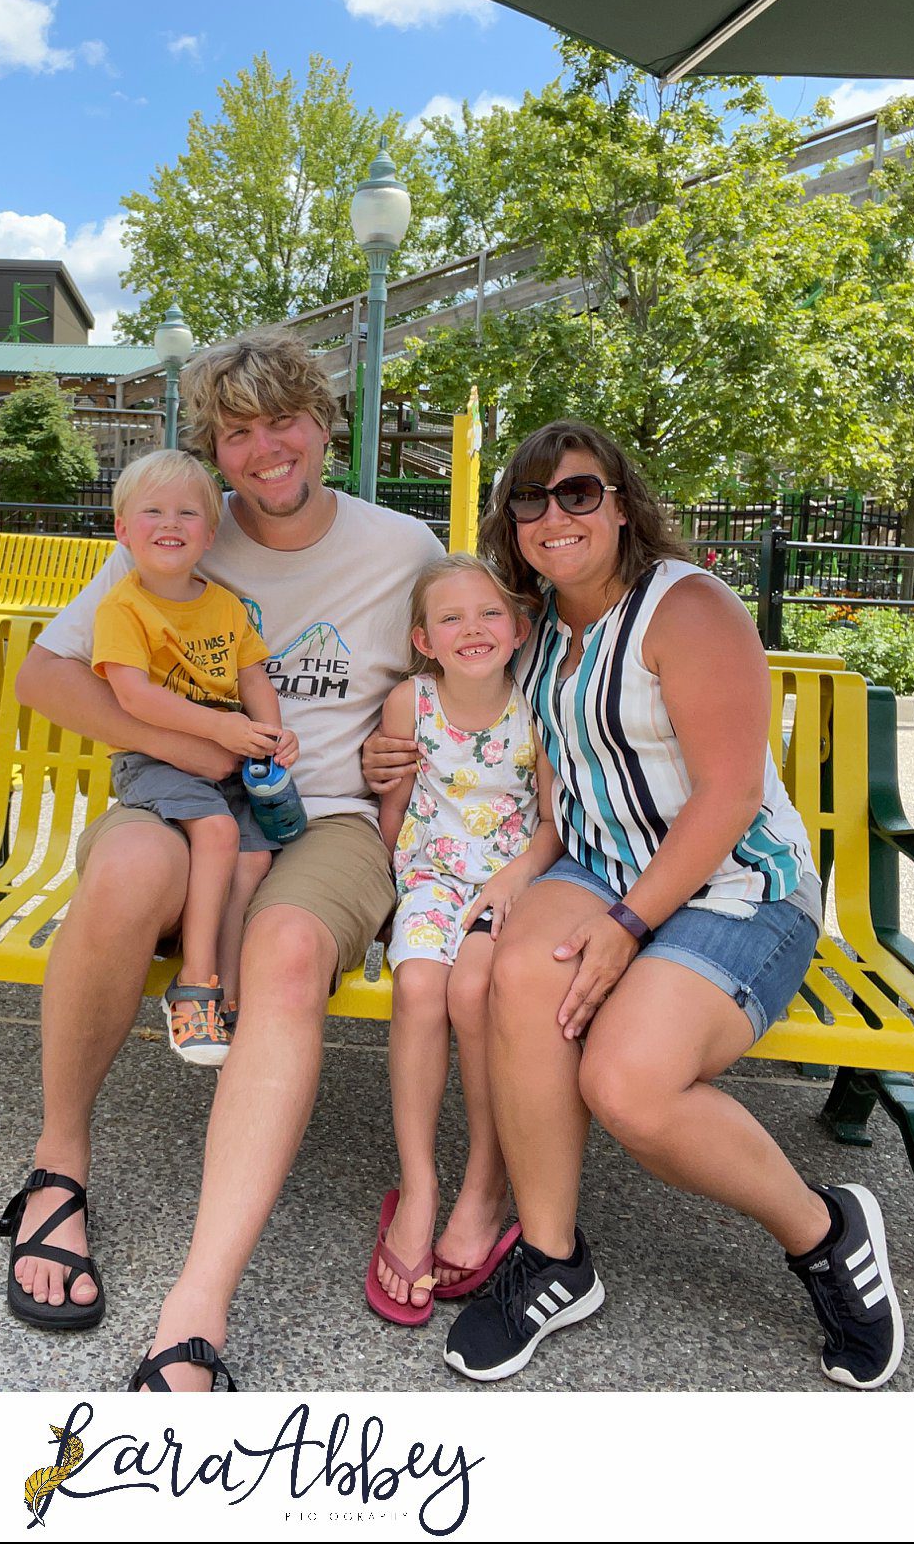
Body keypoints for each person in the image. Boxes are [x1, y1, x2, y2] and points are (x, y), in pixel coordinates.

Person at [369, 419, 902, 1391]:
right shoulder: (537, 625)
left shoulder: (685, 609)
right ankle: (552, 1257)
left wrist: (624, 929)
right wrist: (387, 755)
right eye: (529, 500)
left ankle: (824, 1232)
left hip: (735, 887)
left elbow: (728, 796)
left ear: (620, 505)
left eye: (578, 493)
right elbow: (466, 715)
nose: (554, 516)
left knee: (626, 1085)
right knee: (515, 976)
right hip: (598, 867)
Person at [0, 328, 443, 1387]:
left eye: (283, 421)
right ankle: (57, 1166)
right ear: (212, 448)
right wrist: (192, 747)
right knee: (124, 873)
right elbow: (46, 677)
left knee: (286, 954)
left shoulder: (402, 549)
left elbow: (465, 672)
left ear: (324, 424)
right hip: (181, 796)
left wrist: (403, 739)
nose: (264, 450)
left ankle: (196, 1305)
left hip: (327, 817)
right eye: (236, 433)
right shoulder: (179, 527)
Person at [367, 553, 559, 1325]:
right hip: (429, 878)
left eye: (488, 614)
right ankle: (419, 1186)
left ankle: (487, 1173)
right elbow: (394, 807)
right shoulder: (409, 703)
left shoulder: (537, 709)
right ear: (424, 639)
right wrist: (388, 897)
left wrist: (514, 879)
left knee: (473, 990)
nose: (471, 630)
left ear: (519, 628)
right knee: (419, 985)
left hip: (507, 883)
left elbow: (552, 824)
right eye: (450, 618)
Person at [92, 448, 297, 1065]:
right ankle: (193, 985)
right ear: (123, 530)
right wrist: (221, 729)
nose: (170, 523)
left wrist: (272, 734)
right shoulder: (124, 607)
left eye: (187, 513)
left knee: (254, 858)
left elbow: (253, 675)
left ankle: (229, 987)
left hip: (228, 759)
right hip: (154, 760)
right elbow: (134, 695)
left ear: (209, 535)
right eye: (152, 511)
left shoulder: (224, 605)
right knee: (216, 831)